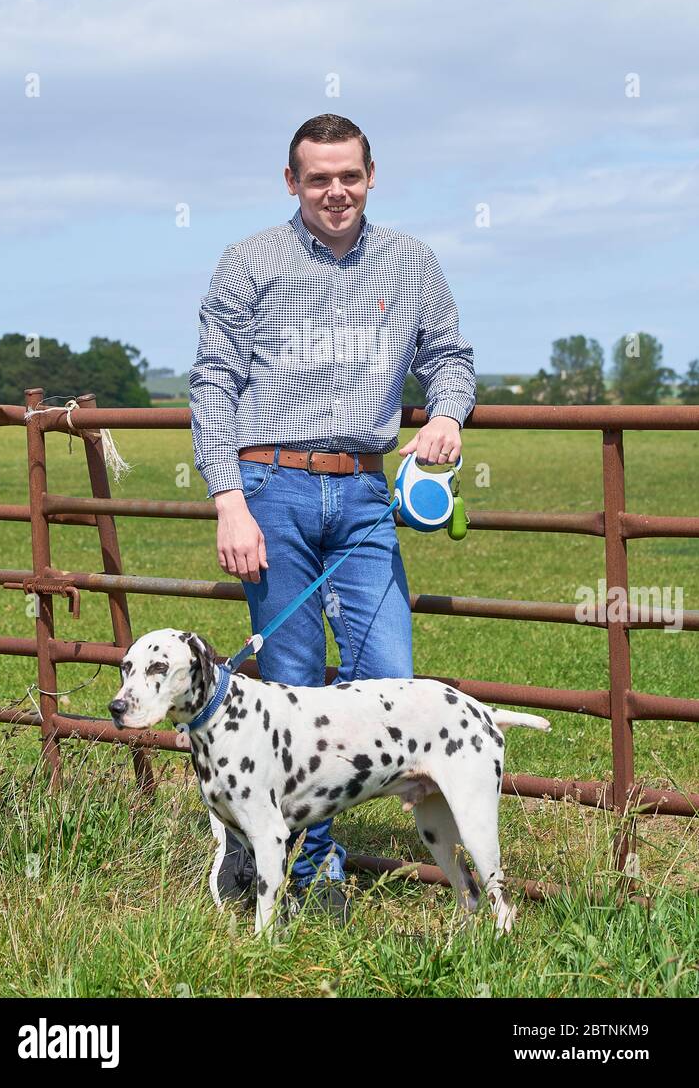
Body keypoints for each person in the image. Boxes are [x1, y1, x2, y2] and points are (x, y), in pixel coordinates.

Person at [189, 113, 476, 921]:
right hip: (268, 488)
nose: (335, 191)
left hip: (361, 493)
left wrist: (447, 413)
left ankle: (275, 841)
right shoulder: (249, 262)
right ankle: (313, 877)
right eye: (317, 178)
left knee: (387, 675)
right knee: (285, 686)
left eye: (348, 175)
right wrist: (227, 499)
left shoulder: (411, 262)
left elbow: (449, 355)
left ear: (371, 174)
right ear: (292, 183)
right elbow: (213, 382)